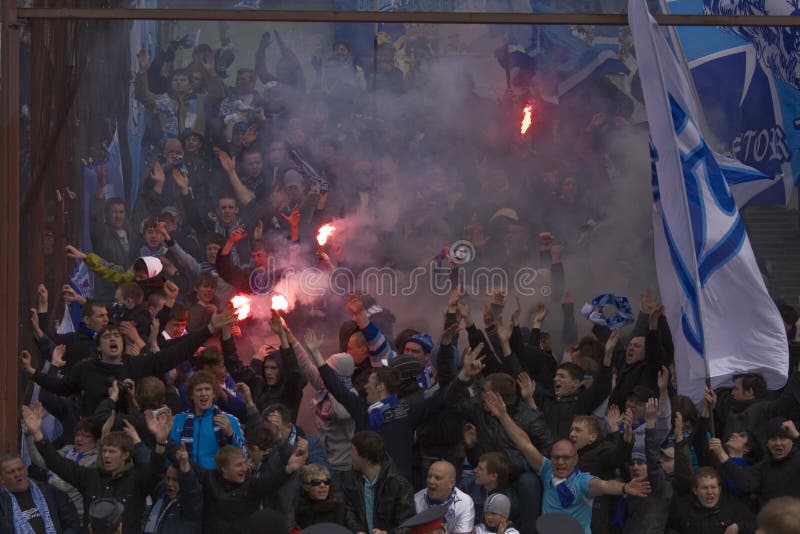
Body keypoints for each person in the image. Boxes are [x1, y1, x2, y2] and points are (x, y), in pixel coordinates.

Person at [482, 390, 651, 534]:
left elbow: (606, 485)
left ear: (575, 459)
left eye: (566, 458)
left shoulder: (583, 481)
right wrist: (503, 416)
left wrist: (624, 487)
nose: (560, 462)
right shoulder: (547, 469)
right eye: (556, 458)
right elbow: (525, 444)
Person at [23, 402, 174, 534]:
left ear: (125, 455)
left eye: (112, 452)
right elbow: (56, 462)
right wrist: (36, 433)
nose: (106, 455)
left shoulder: (137, 481)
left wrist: (161, 442)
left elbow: (155, 469)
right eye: (105, 451)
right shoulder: (89, 477)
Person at [194, 442, 308, 534]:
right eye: (238, 465)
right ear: (224, 469)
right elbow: (185, 463)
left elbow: (273, 482)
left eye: (244, 463)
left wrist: (288, 469)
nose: (244, 468)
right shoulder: (209, 479)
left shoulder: (252, 485)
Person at [169, 370, 246, 469]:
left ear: (214, 394)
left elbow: (243, 456)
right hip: (186, 478)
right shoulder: (178, 421)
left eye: (207, 389)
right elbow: (169, 456)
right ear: (191, 395)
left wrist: (231, 434)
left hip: (216, 481)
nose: (203, 393)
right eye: (199, 390)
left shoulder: (230, 421)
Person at [342, 431, 416, 534]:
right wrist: (358, 530)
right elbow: (349, 512)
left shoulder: (399, 484)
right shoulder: (351, 480)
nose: (350, 455)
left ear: (365, 456)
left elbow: (408, 524)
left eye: (353, 451)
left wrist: (387, 533)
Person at [718, 417, 800, 507]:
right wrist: (722, 455)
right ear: (767, 443)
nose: (778, 443)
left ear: (792, 442)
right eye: (773, 439)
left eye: (783, 438)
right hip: (772, 519)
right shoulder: (762, 468)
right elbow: (745, 484)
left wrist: (796, 435)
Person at [0, 452, 81, 534]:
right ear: (2, 479)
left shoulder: (50, 492)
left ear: (26, 471)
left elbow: (72, 523)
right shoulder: (2, 504)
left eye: (20, 469)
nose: (17, 474)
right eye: (11, 472)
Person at [669, 467, 755, 534]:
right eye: (704, 488)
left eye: (713, 487)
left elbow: (755, 524)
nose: (710, 492)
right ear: (695, 490)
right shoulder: (683, 508)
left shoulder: (732, 505)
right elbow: (670, 528)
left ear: (719, 489)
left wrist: (738, 526)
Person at [142, 444, 203, 534]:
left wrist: (185, 466)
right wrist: (159, 443)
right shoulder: (161, 495)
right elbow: (152, 470)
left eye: (176, 480)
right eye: (168, 478)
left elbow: (190, 491)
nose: (170, 484)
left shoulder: (190, 505)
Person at [414, 460, 475, 534]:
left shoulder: (464, 503)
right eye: (429, 476)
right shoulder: (416, 500)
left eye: (437, 478)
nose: (431, 481)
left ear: (451, 483)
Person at [295, 463, 346, 529]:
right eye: (316, 482)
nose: (322, 485)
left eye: (326, 481)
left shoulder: (337, 503)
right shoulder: (298, 506)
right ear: (306, 487)